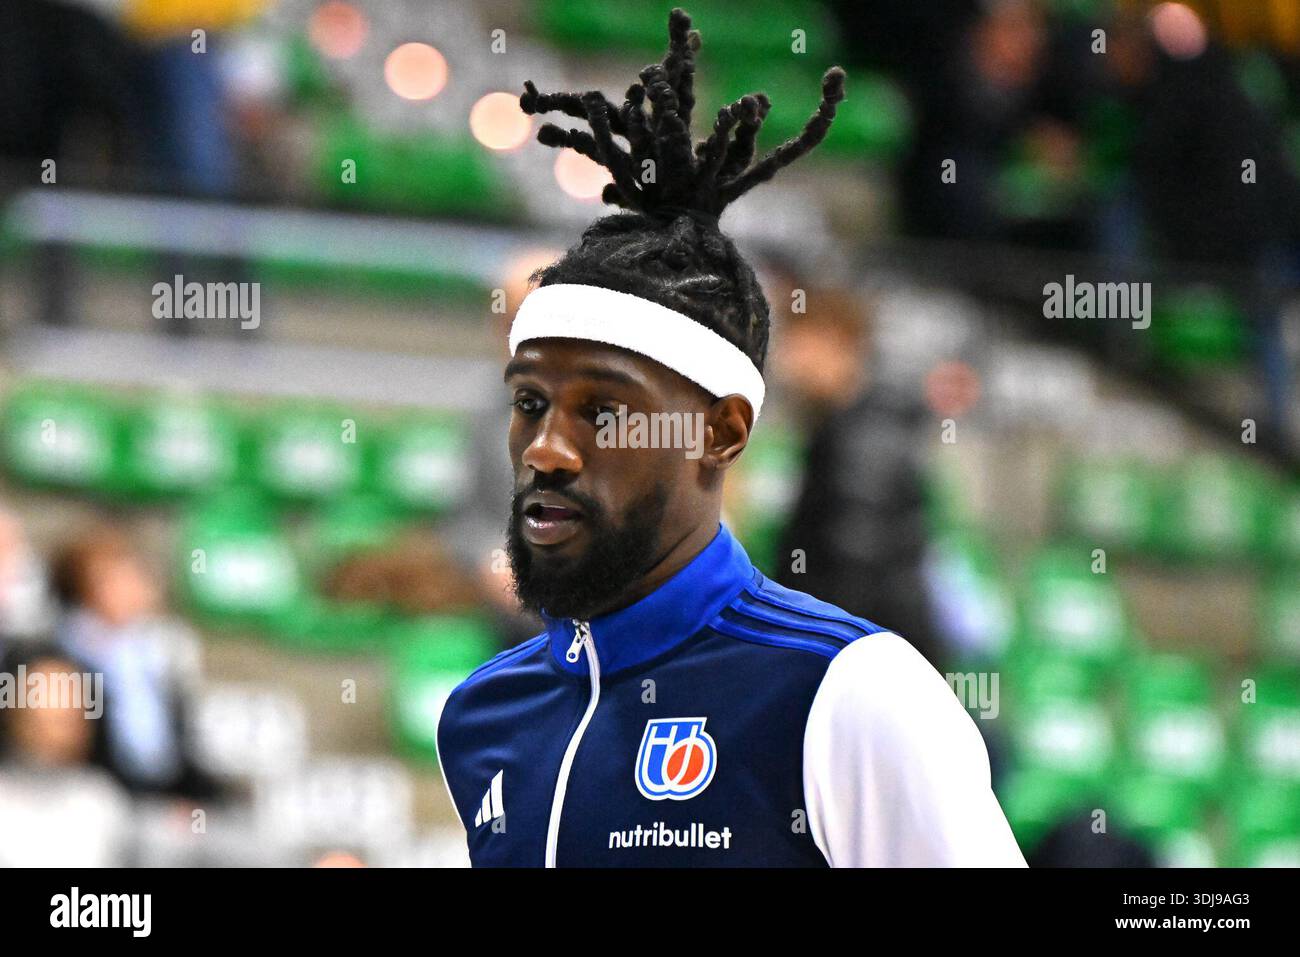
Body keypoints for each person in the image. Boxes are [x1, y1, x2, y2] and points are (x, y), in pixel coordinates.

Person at [435, 9, 1026, 868]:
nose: (546, 449)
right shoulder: (483, 714)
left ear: (720, 431)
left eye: (603, 412)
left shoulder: (852, 692)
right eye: (530, 403)